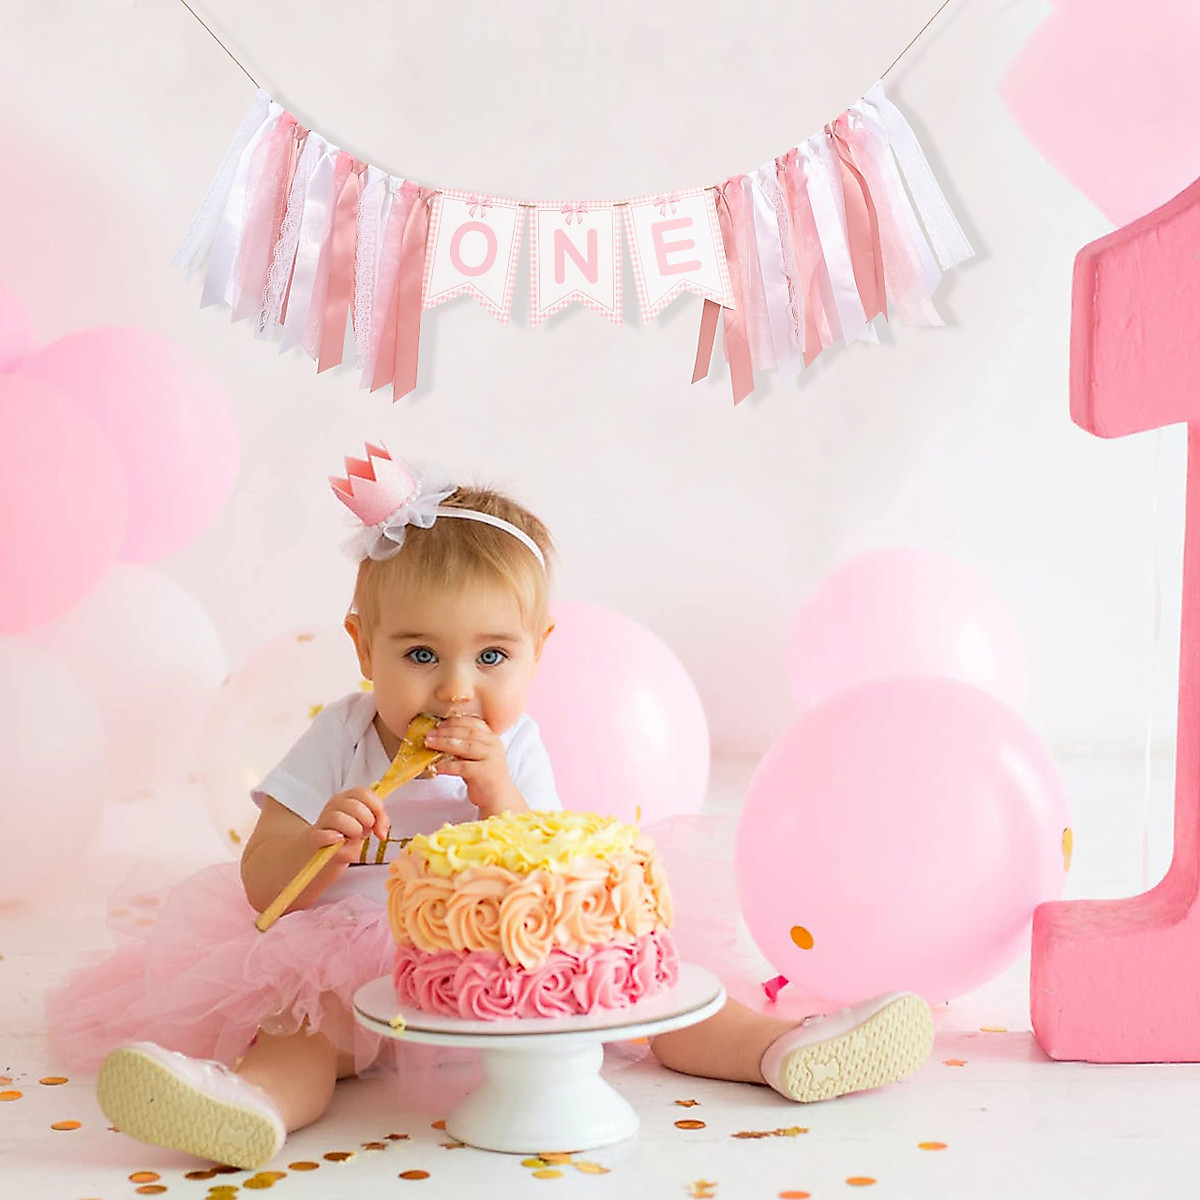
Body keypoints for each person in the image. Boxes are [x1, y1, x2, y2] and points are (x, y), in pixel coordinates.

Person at [47, 444, 933, 1171]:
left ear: (538, 652)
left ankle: (780, 1048)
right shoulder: (343, 737)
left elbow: (542, 863)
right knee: (301, 1030)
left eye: (493, 658)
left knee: (659, 1001)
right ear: (365, 648)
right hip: (347, 954)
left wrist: (496, 792)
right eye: (422, 653)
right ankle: (249, 1104)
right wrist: (323, 844)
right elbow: (262, 885)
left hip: (498, 958)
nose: (455, 688)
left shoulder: (516, 751)